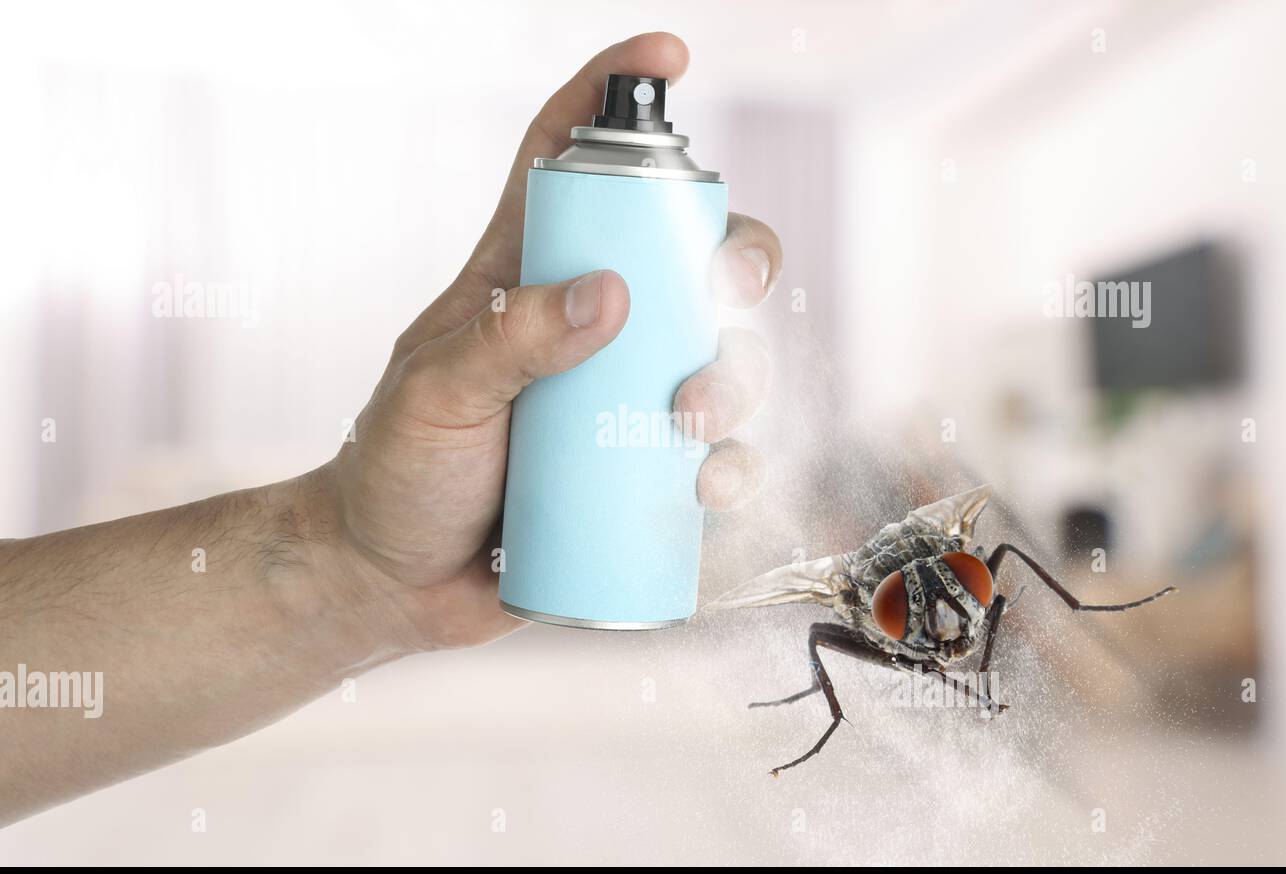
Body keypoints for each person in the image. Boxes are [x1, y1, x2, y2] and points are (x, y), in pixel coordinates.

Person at [0, 33, 780, 828]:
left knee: (698, 403)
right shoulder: (588, 192)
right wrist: (356, 564)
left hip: (464, 559)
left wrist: (357, 560)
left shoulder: (648, 203)